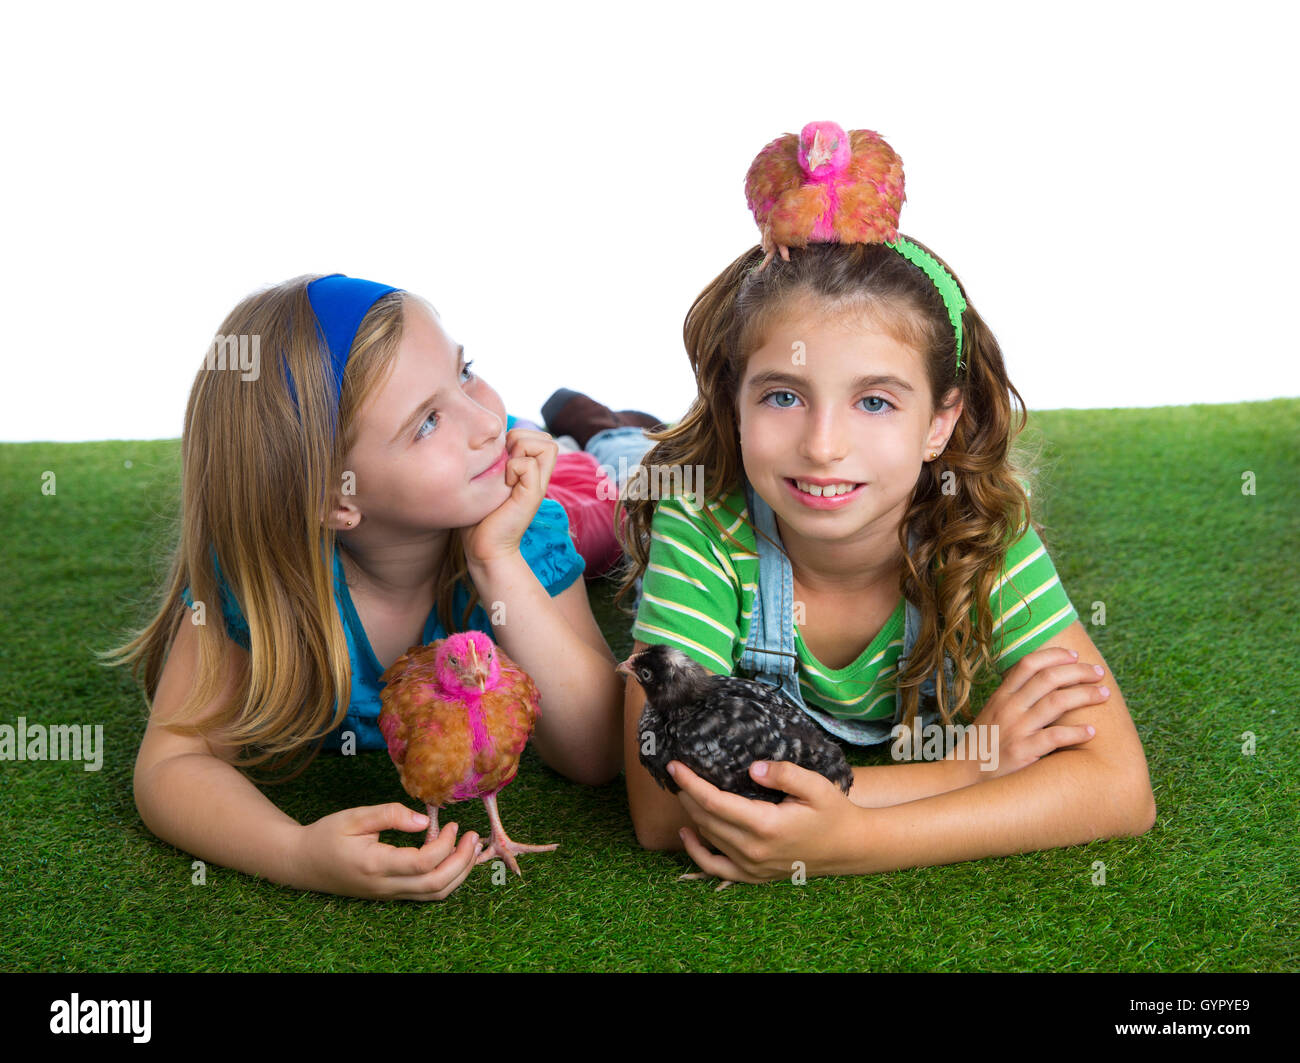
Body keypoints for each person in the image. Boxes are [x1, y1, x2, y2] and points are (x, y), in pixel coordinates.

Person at [614, 122, 1156, 885]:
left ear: (939, 422)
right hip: (663, 478)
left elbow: (1118, 788)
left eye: (874, 401)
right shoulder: (704, 526)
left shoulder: (977, 527)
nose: (823, 446)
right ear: (735, 401)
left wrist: (852, 842)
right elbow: (664, 811)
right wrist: (969, 767)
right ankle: (603, 431)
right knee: (609, 474)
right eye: (781, 395)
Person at [104, 274, 624, 901]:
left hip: (540, 485)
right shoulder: (258, 579)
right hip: (476, 485)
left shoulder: (523, 523)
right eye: (426, 422)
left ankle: (601, 432)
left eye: (465, 372)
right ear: (332, 499)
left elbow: (596, 752)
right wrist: (295, 853)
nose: (486, 419)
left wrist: (497, 559)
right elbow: (171, 764)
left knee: (614, 515)